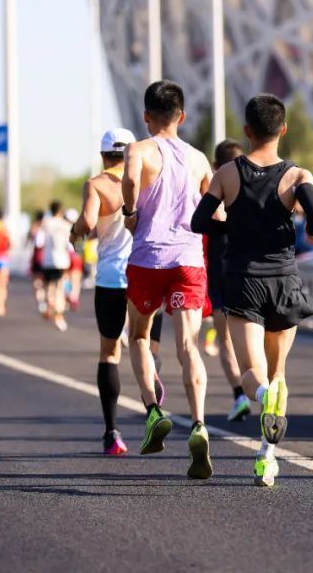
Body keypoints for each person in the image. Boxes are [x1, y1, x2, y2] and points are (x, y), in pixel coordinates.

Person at [190, 93, 313, 486]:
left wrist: (230, 227)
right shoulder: (297, 176)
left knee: (252, 372)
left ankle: (263, 397)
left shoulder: (227, 173)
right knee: (279, 371)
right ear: (284, 129)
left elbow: (199, 222)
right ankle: (267, 458)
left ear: (247, 130)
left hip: (243, 280)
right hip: (284, 280)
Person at [121, 79, 213, 479]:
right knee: (189, 345)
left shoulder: (139, 150)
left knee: (139, 337)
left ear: (146, 117)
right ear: (182, 116)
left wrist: (130, 212)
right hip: (188, 260)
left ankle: (153, 411)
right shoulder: (199, 159)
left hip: (148, 257)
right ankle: (199, 423)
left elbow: (129, 181)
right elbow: (216, 209)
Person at [71, 127, 166, 456]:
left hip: (112, 276)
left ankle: (112, 434)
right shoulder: (149, 180)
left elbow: (87, 222)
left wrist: (74, 232)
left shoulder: (96, 185)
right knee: (145, 342)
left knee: (110, 352)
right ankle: (152, 396)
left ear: (103, 156)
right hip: (147, 271)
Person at [203, 139, 253, 422]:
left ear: (215, 166)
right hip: (250, 273)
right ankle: (262, 388)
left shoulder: (213, 194)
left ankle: (240, 395)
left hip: (221, 273)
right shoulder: (252, 191)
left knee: (226, 340)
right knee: (252, 336)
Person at [40, 201, 73, 331]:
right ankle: (58, 315)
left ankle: (49, 306)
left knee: (49, 287)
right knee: (59, 288)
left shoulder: (45, 223)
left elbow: (39, 242)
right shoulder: (65, 225)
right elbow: (70, 245)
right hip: (61, 261)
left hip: (47, 261)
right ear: (60, 211)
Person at [27, 211, 48, 315]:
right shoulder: (47, 228)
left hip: (39, 258)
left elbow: (34, 242)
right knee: (42, 282)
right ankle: (45, 302)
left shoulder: (36, 229)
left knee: (38, 283)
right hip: (45, 258)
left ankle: (43, 302)